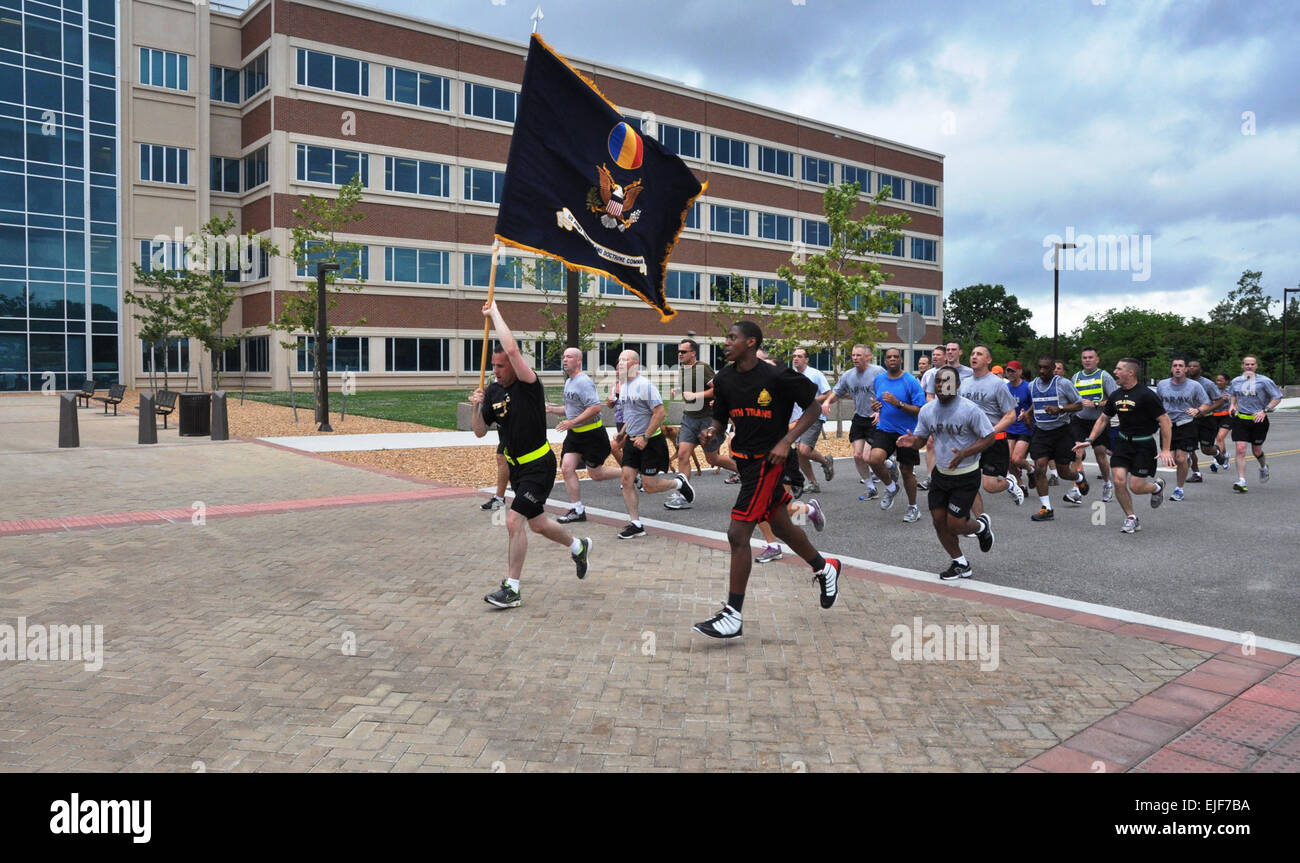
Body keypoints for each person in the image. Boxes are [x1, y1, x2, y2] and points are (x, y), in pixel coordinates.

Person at [692, 321, 842, 639]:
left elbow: (813, 409)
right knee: (783, 526)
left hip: (769, 462)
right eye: (726, 338)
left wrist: (787, 441)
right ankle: (824, 567)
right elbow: (721, 417)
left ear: (751, 342)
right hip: (744, 461)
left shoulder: (776, 375)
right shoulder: (724, 379)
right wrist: (713, 431)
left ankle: (733, 615)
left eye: (732, 338)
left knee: (737, 533)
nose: (726, 342)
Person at [469, 301, 592, 608]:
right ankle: (578, 546)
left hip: (539, 464)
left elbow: (511, 349)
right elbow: (480, 431)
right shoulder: (493, 392)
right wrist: (476, 406)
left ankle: (512, 589)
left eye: (501, 366)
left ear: (513, 365)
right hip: (517, 470)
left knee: (513, 522)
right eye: (493, 366)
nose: (496, 371)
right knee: (536, 524)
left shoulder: (529, 384)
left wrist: (494, 312)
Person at [897, 366, 997, 579]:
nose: (942, 385)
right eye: (939, 382)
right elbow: (921, 439)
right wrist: (912, 442)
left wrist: (965, 453)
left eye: (948, 381)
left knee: (956, 523)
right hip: (941, 475)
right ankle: (960, 563)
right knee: (938, 521)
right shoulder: (927, 410)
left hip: (966, 474)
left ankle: (980, 527)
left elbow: (989, 437)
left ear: (958, 385)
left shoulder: (970, 410)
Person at [1072, 358, 1173, 534]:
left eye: (1119, 369)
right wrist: (1090, 439)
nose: (1115, 372)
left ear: (1130, 373)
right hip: (1122, 443)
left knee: (1136, 487)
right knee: (1118, 480)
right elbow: (1103, 419)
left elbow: (1165, 421)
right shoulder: (1116, 395)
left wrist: (1165, 449)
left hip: (1143, 445)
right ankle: (1131, 518)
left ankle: (1157, 488)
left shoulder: (1146, 395)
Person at [615, 349, 695, 536]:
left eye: (624, 360)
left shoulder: (645, 385)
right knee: (626, 480)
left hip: (650, 442)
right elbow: (632, 415)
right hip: (632, 441)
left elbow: (660, 413)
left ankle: (679, 483)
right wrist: (621, 434)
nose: (619, 364)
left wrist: (645, 437)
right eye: (618, 360)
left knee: (649, 486)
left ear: (634, 364)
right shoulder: (624, 385)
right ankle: (636, 524)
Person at [548, 347, 622, 524]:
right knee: (567, 468)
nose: (565, 359)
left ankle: (630, 472)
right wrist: (551, 409)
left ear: (579, 361)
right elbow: (570, 410)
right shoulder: (569, 382)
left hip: (592, 435)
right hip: (575, 435)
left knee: (596, 475)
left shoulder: (583, 381)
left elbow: (595, 407)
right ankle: (577, 509)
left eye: (569, 357)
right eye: (564, 356)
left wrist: (571, 422)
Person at [666, 338, 738, 508]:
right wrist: (678, 390)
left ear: (693, 353)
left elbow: (717, 390)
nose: (680, 354)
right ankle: (683, 496)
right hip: (689, 419)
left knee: (712, 459)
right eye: (679, 351)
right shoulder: (683, 369)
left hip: (707, 419)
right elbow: (689, 388)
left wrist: (696, 396)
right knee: (683, 454)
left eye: (683, 351)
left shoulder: (702, 368)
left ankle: (748, 473)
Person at [959, 345, 1024, 512]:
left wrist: (990, 432)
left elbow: (1010, 415)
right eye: (972, 354)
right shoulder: (964, 384)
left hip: (993, 441)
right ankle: (980, 523)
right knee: (968, 484)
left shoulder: (998, 384)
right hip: (970, 441)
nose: (974, 356)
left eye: (979, 354)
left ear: (988, 360)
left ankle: (1009, 482)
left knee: (989, 485)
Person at [866, 347, 926, 521]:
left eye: (896, 357)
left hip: (907, 433)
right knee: (874, 459)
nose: (892, 359)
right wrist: (876, 407)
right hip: (885, 428)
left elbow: (920, 410)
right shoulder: (879, 380)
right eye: (889, 357)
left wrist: (898, 403)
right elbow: (878, 402)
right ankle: (891, 487)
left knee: (907, 471)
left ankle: (913, 507)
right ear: (885, 361)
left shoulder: (910, 381)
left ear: (901, 360)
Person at [821, 344, 887, 500]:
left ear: (868, 356)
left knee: (868, 457)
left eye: (859, 355)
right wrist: (827, 402)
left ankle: (889, 465)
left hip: (875, 418)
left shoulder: (878, 372)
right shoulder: (848, 375)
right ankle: (871, 488)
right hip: (859, 418)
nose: (855, 358)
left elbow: (888, 392)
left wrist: (881, 412)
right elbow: (837, 392)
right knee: (858, 456)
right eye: (853, 355)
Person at [1026, 356, 1087, 521]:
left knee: (1064, 472)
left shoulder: (1063, 384)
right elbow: (1035, 402)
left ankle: (1079, 478)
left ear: (1053, 368)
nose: (1042, 371)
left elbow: (1079, 404)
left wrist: (1059, 408)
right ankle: (1046, 508)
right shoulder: (1032, 385)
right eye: (1040, 367)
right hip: (1041, 432)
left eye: (1046, 368)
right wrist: (1028, 414)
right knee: (1039, 469)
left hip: (1062, 431)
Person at [1226, 355, 1283, 493]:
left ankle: (1263, 467)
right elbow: (1232, 394)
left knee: (1256, 451)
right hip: (1241, 419)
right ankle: (1241, 481)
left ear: (1256, 366)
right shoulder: (1236, 381)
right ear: (1242, 366)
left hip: (1258, 419)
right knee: (1240, 449)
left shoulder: (1264, 381)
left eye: (1252, 364)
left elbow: (1277, 397)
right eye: (1247, 364)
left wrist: (1265, 410)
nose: (1249, 366)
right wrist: (1232, 405)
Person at [1156, 358, 1210, 502]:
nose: (1178, 368)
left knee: (1180, 458)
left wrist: (1198, 409)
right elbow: (1156, 403)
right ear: (1171, 369)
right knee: (1170, 461)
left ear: (1186, 369)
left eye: (1181, 366)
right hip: (1167, 426)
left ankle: (1179, 489)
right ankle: (1186, 462)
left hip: (1186, 424)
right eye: (1175, 366)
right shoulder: (1162, 384)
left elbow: (1206, 404)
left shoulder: (1195, 386)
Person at [1070, 347, 1118, 502]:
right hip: (1079, 420)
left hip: (1099, 421)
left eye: (1090, 357)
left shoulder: (1105, 376)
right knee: (1077, 453)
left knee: (1100, 455)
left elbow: (1114, 400)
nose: (1087, 360)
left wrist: (1097, 403)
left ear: (1097, 359)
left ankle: (1107, 483)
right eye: (1084, 357)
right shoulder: (1076, 377)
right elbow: (1071, 400)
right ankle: (1078, 487)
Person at [790, 347, 834, 492]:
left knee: (803, 450)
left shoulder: (815, 374)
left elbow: (828, 394)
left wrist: (811, 401)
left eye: (800, 356)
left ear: (806, 359)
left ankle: (825, 461)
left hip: (814, 416)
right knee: (799, 452)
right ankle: (813, 483)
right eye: (794, 356)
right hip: (797, 419)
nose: (796, 358)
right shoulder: (792, 376)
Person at [1185, 360, 1226, 482]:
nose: (1192, 368)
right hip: (1189, 420)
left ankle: (1217, 453)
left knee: (1206, 449)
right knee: (1189, 448)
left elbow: (1219, 401)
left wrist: (1204, 410)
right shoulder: (1182, 383)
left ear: (1200, 369)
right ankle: (1197, 473)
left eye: (1195, 366)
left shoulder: (1208, 384)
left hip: (1206, 420)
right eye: (1190, 366)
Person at [917, 346, 947, 489]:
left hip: (952, 414)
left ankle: (951, 475)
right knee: (930, 443)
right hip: (935, 413)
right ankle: (930, 478)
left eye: (938, 355)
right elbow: (925, 394)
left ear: (945, 357)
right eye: (933, 355)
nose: (935, 357)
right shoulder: (929, 374)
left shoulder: (952, 372)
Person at [1004, 360, 1033, 493]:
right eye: (1008, 370)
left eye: (1013, 371)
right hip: (1010, 427)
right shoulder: (1005, 388)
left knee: (1017, 459)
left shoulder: (1028, 387)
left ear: (1020, 372)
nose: (1009, 373)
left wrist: (1026, 413)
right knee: (1008, 460)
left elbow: (1035, 404)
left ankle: (1031, 469)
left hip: (1024, 427)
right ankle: (1020, 484)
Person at [1210, 372, 1233, 471]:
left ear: (1226, 381)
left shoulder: (1230, 391)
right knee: (1219, 439)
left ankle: (1216, 461)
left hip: (1226, 416)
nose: (1218, 382)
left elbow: (1235, 401)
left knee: (1219, 438)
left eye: (1221, 380)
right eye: (1217, 380)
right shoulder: (1212, 390)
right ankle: (1225, 456)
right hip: (1214, 417)